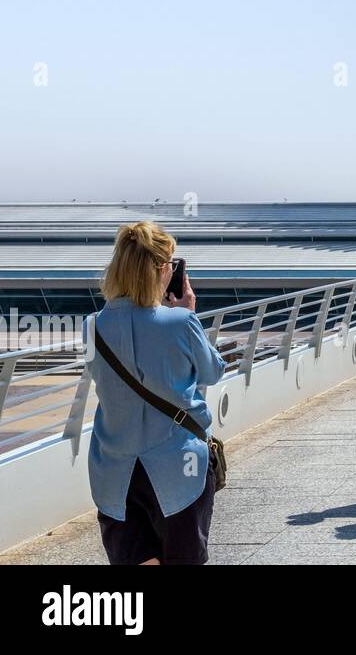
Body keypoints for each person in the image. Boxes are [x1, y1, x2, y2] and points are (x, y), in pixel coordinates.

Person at [83, 222, 226, 565]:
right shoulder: (180, 322)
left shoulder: (92, 327)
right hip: (180, 468)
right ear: (163, 269)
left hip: (115, 471)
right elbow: (212, 371)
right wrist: (188, 314)